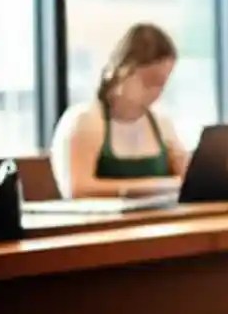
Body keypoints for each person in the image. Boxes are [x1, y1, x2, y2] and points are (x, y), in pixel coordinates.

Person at [50, 23, 189, 199]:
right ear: (121, 71)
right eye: (149, 81)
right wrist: (155, 185)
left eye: (162, 84)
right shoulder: (84, 121)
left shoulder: (161, 125)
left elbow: (189, 181)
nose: (156, 92)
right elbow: (77, 188)